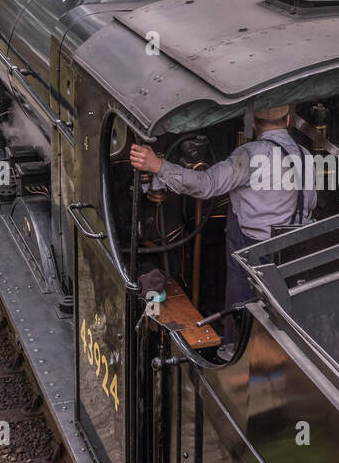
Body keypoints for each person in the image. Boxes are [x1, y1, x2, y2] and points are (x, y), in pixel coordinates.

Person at [130, 105, 316, 343]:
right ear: (289, 120)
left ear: (253, 123)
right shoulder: (305, 155)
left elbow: (207, 184)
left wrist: (158, 166)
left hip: (252, 253)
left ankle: (233, 351)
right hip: (294, 250)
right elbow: (310, 203)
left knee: (243, 317)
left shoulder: (249, 155)